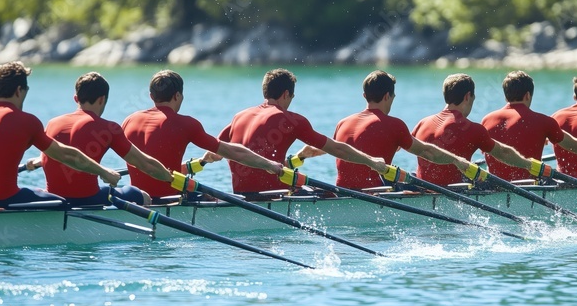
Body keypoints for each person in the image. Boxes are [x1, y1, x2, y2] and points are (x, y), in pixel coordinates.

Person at [0, 61, 120, 208]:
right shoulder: (27, 121)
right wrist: (104, 172)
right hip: (5, 200)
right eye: (26, 89)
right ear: (19, 90)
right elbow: (66, 155)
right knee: (61, 203)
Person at [217, 68, 387, 196]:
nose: (291, 101)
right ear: (286, 94)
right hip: (275, 196)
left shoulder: (238, 117)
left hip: (240, 195)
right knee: (328, 194)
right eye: (292, 97)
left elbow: (214, 152)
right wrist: (371, 161)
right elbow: (336, 149)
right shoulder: (292, 120)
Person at [122, 70, 285, 199]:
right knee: (210, 197)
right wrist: (269, 164)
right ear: (178, 95)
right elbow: (231, 152)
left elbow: (154, 163)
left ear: (151, 96)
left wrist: (197, 163)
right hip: (170, 199)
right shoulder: (185, 124)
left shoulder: (129, 121)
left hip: (137, 199)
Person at [35, 72, 173, 206]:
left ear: (76, 99)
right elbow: (144, 164)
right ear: (102, 99)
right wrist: (171, 178)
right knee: (138, 194)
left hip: (54, 198)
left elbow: (56, 153)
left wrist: (38, 160)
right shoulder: (108, 128)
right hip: (89, 199)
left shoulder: (52, 123)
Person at [325, 70, 476, 189]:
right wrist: (457, 160)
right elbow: (426, 152)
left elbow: (340, 147)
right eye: (393, 97)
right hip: (376, 194)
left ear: (365, 96)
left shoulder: (342, 123)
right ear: (387, 96)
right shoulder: (395, 125)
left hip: (343, 191)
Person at [411, 73, 542, 186]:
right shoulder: (473, 129)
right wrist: (529, 164)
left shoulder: (422, 123)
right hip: (455, 194)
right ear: (468, 96)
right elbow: (503, 153)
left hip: (422, 189)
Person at [481, 71, 577, 182]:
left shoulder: (486, 120)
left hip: (495, 186)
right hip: (530, 188)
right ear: (528, 95)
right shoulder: (543, 121)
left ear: (506, 96)